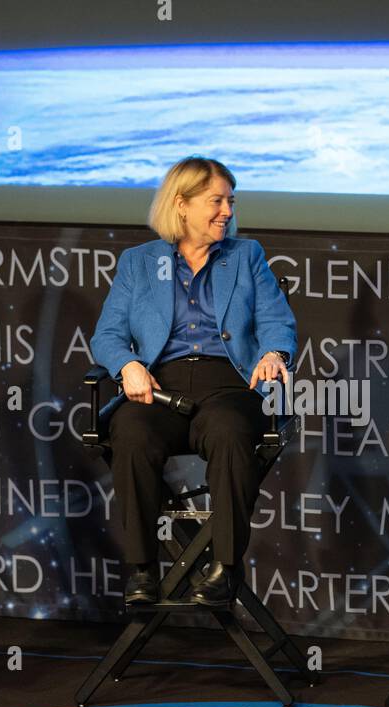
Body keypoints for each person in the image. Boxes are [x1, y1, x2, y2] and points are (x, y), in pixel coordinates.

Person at [90, 156, 297, 608]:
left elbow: (278, 323)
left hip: (229, 384)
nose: (227, 211)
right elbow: (106, 336)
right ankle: (143, 569)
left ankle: (225, 566)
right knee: (131, 432)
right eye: (216, 201)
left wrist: (274, 353)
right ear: (181, 204)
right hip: (159, 386)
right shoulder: (138, 262)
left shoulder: (246, 256)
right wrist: (126, 365)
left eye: (230, 201)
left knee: (228, 430)